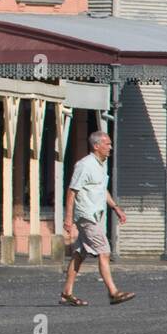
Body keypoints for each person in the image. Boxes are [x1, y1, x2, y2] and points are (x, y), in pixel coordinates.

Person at [60, 130, 134, 306]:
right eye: (107, 144)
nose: (110, 147)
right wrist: (68, 219)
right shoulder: (84, 165)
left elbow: (101, 189)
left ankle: (66, 293)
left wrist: (115, 208)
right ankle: (113, 292)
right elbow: (72, 191)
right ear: (96, 146)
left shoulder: (102, 164)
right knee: (104, 250)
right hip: (87, 216)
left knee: (80, 253)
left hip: (97, 215)